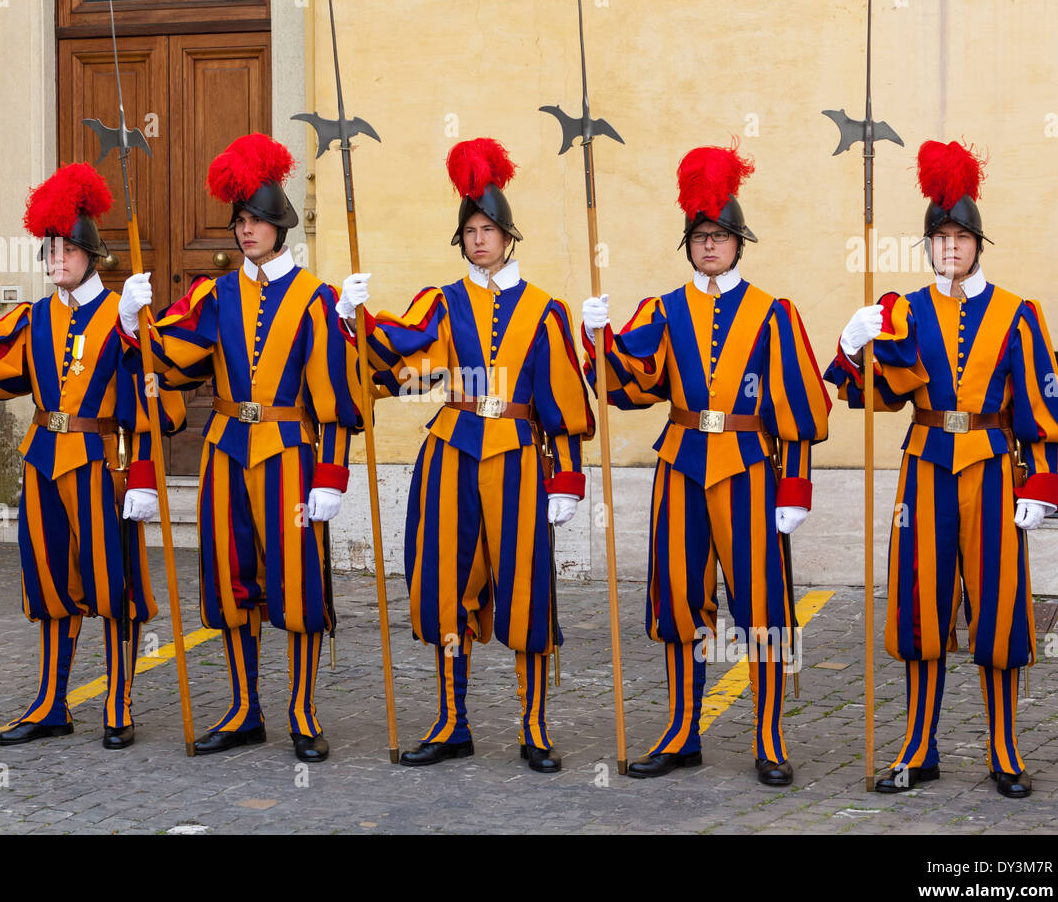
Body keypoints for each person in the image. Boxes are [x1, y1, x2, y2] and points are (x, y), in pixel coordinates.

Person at [336, 138, 594, 773]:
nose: (480, 240)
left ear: (509, 235)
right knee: (447, 584)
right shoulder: (442, 300)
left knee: (526, 590)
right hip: (451, 453)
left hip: (518, 457)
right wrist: (356, 319)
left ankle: (533, 725)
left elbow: (561, 394)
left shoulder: (546, 310)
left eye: (490, 229)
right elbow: (405, 362)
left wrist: (567, 477)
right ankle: (452, 720)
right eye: (470, 230)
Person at [825, 139, 1058, 799]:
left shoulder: (1019, 312)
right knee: (920, 606)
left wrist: (1042, 483)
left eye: (962, 237)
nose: (952, 247)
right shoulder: (903, 310)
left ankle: (1005, 751)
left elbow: (1040, 400)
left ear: (978, 245)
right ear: (928, 246)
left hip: (993, 470)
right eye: (941, 238)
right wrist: (854, 349)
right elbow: (878, 396)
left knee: (998, 608)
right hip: (926, 466)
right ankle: (918, 747)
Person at [581, 142, 830, 786]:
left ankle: (769, 736)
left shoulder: (774, 312)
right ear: (687, 243)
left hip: (750, 467)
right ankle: (682, 730)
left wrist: (795, 483)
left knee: (763, 605)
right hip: (682, 462)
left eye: (720, 236)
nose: (710, 246)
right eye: (700, 236)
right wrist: (600, 339)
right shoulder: (662, 309)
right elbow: (631, 383)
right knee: (680, 601)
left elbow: (798, 403)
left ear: (738, 242)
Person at [0, 162, 185, 749]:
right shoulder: (35, 317)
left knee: (110, 581)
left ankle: (118, 702)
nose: (56, 258)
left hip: (101, 462)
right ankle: (51, 703)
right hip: (43, 456)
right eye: (50, 248)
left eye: (67, 248)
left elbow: (156, 397)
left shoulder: (124, 314)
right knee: (47, 582)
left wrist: (134, 334)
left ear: (91, 254)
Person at [119, 133, 359, 762]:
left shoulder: (317, 299)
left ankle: (302, 710)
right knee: (231, 581)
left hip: (290, 453)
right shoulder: (213, 294)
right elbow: (171, 361)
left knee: (298, 580)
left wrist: (332, 473)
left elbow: (331, 392)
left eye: (257, 220)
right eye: (241, 220)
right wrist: (134, 322)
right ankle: (243, 707)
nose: (246, 230)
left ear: (280, 225)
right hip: (226, 448)